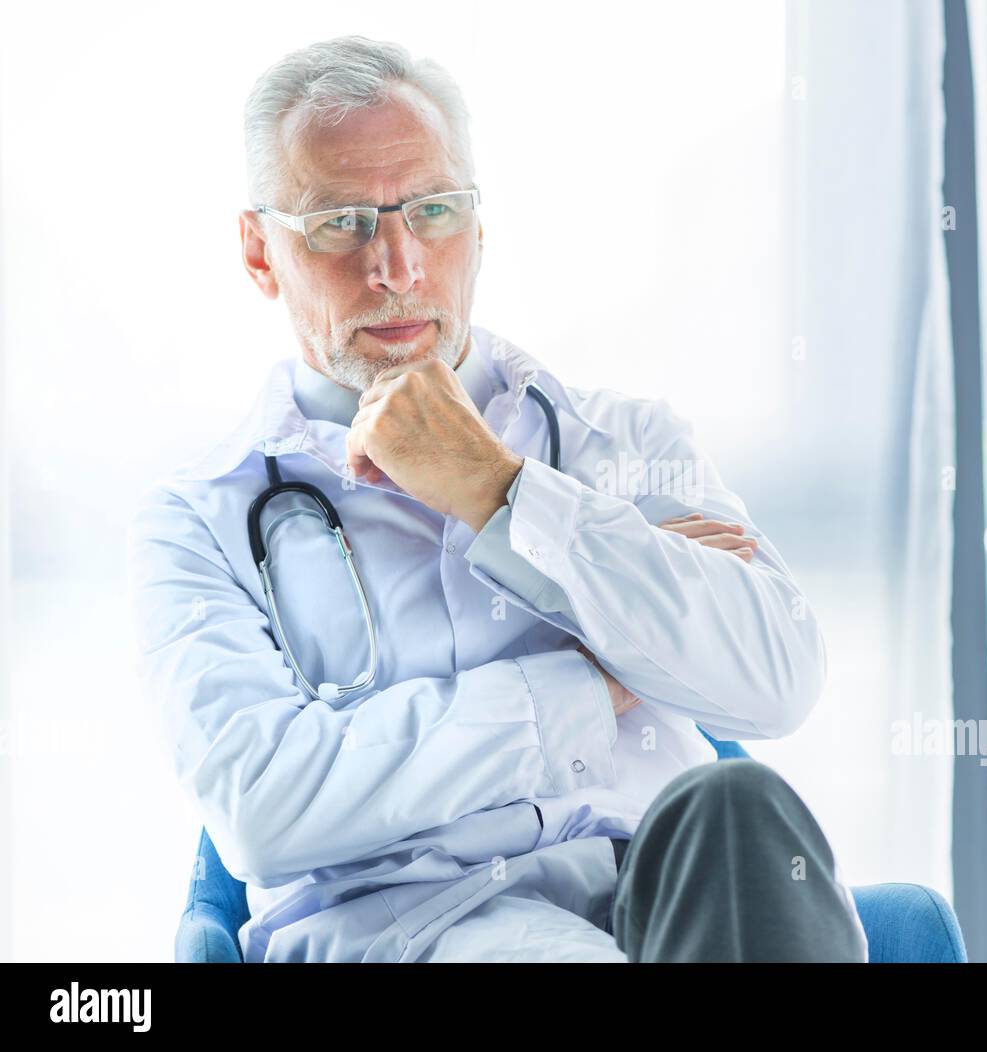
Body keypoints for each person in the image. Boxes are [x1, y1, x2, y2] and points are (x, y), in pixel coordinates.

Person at [127, 34, 867, 963]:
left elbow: (776, 679)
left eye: (431, 211)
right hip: (414, 931)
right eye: (341, 223)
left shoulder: (626, 442)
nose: (397, 265)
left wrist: (498, 488)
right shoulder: (197, 523)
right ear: (259, 251)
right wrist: (594, 684)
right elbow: (267, 808)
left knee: (738, 807)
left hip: (670, 900)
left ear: (477, 229)